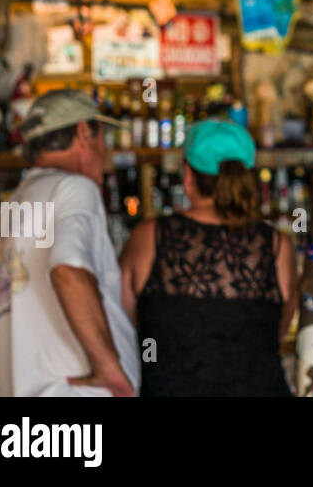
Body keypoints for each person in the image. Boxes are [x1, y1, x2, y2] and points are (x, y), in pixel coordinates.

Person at [120, 118, 297, 396]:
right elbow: (275, 331)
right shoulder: (277, 246)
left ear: (188, 177)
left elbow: (128, 321)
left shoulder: (148, 237)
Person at [0, 89, 139, 396]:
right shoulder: (73, 188)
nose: (105, 154)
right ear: (83, 132)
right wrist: (111, 370)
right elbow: (67, 271)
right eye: (102, 139)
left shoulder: (7, 210)